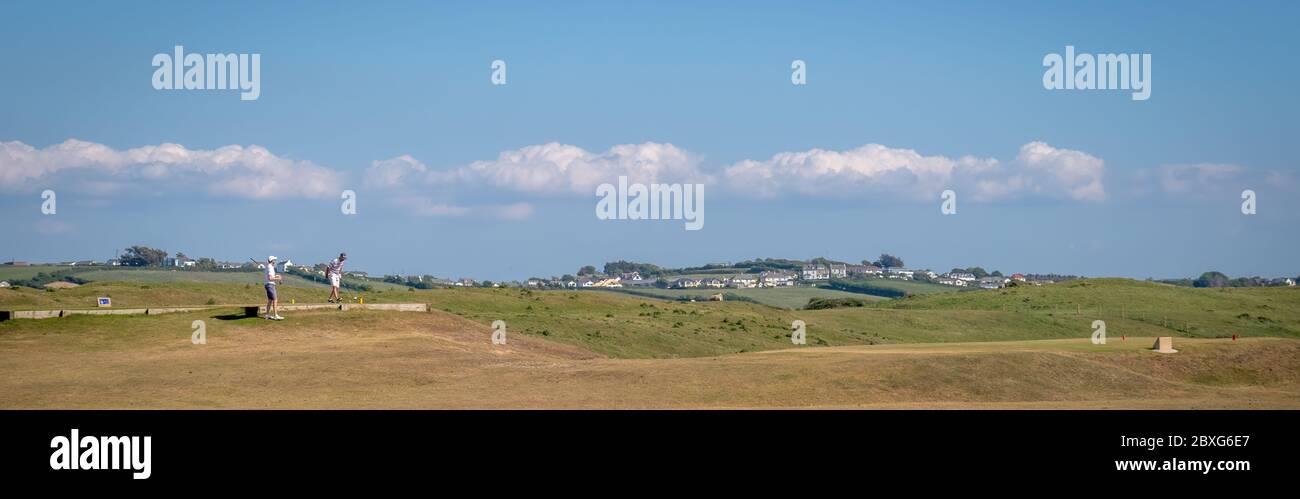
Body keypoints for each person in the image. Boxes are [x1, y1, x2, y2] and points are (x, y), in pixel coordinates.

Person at [264, 255, 284, 320]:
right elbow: (270, 278)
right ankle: (275, 315)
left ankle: (267, 315)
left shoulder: (269, 267)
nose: (275, 261)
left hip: (268, 285)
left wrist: (277, 276)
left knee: (270, 300)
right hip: (270, 285)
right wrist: (278, 279)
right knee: (275, 300)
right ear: (272, 261)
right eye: (274, 260)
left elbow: (271, 276)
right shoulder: (270, 267)